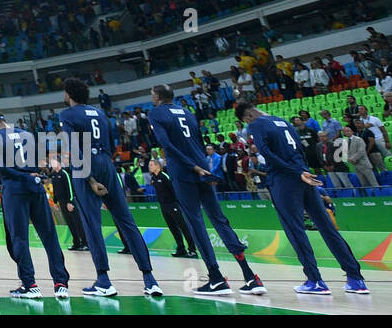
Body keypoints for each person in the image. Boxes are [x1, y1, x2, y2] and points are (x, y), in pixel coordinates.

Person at [237, 101, 368, 295]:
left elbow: (265, 153)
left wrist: (294, 172)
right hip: (304, 175)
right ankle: (356, 279)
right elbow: (300, 149)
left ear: (247, 117)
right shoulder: (283, 121)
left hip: (284, 180)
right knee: (327, 227)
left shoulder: (255, 125)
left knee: (295, 230)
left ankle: (315, 280)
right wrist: (303, 171)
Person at [147, 85, 267, 295]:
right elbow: (198, 143)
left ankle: (216, 278)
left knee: (196, 223)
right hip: (203, 167)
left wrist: (192, 167)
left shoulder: (156, 113)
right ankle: (250, 276)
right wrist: (204, 168)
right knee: (219, 220)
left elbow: (167, 145)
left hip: (185, 172)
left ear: (157, 97)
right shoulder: (187, 112)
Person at [59, 78, 163, 297]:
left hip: (86, 165)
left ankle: (104, 281)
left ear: (68, 94)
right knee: (126, 221)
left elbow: (75, 149)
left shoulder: (67, 115)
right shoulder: (100, 114)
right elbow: (110, 143)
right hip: (107, 163)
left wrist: (89, 179)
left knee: (92, 225)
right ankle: (150, 280)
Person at [0, 112, 70, 299]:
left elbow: (2, 168)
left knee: (20, 238)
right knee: (49, 236)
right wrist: (32, 175)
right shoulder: (27, 134)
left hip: (15, 190)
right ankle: (61, 283)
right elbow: (41, 163)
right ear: (4, 120)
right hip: (36, 186)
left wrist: (22, 176)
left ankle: (30, 285)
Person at [146, 159, 198, 260]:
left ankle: (192, 250)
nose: (149, 167)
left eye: (151, 165)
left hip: (172, 205)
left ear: (158, 166)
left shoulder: (164, 176)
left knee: (183, 227)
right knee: (173, 228)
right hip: (163, 206)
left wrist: (176, 203)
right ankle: (181, 249)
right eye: (149, 165)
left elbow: (173, 190)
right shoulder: (153, 178)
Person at [48, 157, 87, 251]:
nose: (52, 164)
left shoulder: (65, 173)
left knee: (77, 222)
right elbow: (55, 189)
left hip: (69, 202)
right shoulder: (53, 175)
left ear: (59, 163)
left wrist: (70, 202)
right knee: (70, 223)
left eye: (54, 162)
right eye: (51, 163)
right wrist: (55, 202)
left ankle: (85, 243)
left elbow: (70, 188)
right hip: (61, 202)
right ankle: (76, 243)